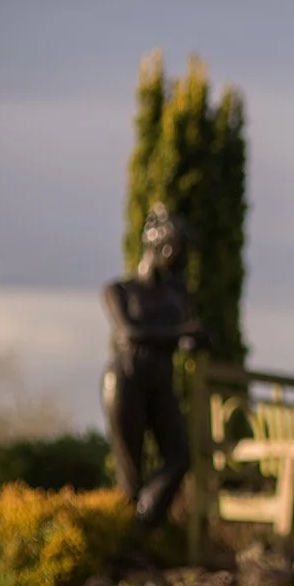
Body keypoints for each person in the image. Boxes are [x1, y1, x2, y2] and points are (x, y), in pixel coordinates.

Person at [101, 203, 208, 533]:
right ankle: (129, 540)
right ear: (158, 248)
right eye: (175, 252)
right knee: (130, 471)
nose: (180, 262)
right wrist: (181, 334)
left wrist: (198, 338)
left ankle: (142, 525)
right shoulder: (119, 291)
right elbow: (131, 332)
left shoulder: (176, 297)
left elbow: (196, 334)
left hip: (161, 382)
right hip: (126, 380)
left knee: (179, 457)